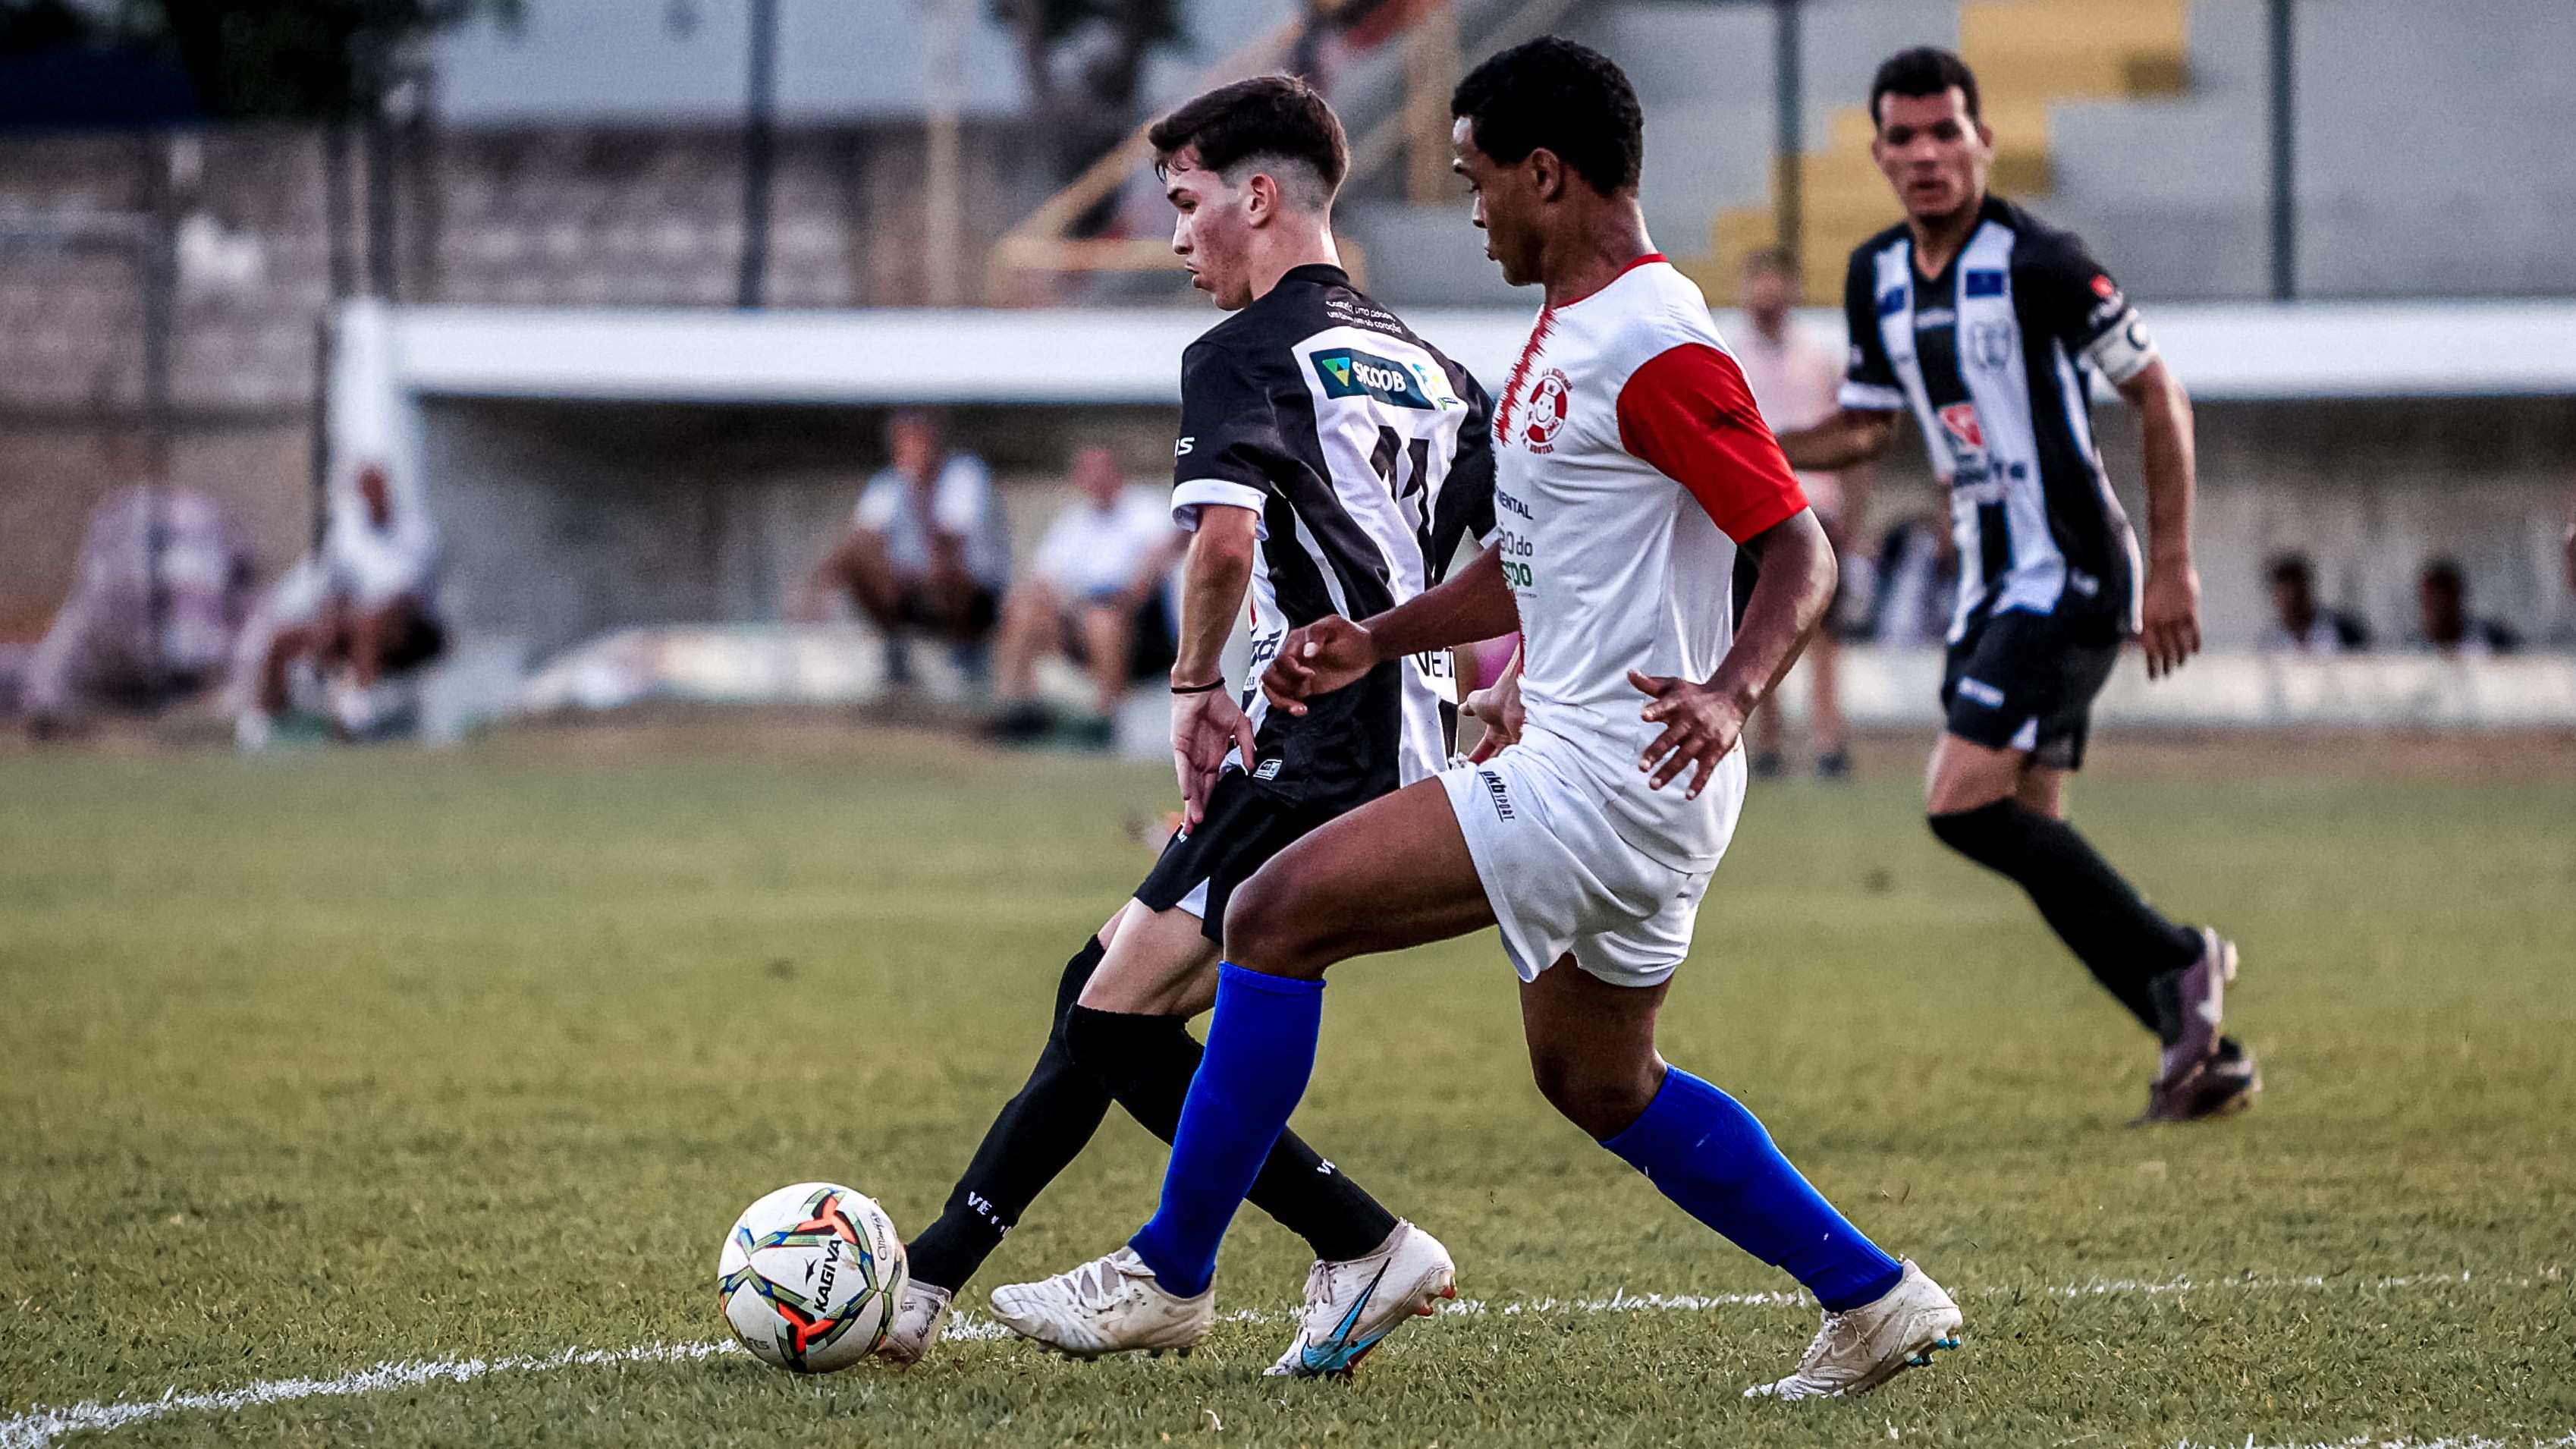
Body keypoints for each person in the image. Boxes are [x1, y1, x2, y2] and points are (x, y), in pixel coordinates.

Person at [991, 39, 1963, 1400]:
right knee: (1597, 1078)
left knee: (1272, 914)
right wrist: (1376, 640)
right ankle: (1872, 1296)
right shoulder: (1572, 334)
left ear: (1545, 173)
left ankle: (1170, 1269)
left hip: (1615, 769)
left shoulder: (1657, 340)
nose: (1468, 208)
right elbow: (1527, 566)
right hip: (1607, 761)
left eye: (1476, 178)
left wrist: (1733, 693)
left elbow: (1798, 550)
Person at [879, 75, 1498, 1376]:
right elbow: (1502, 566)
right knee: (1100, 993)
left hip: (1328, 745)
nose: (1173, 240)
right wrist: (1501, 693)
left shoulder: (1241, 352)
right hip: (1387, 738)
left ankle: (1055, 1279)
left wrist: (1190, 685)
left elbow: (1219, 541)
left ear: (1257, 197)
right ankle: (944, 1280)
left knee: (1112, 1013)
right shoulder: (1440, 370)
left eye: (1183, 202)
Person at [1772, 47, 2254, 1126]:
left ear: (1983, 140)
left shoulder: (2040, 258)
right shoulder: (1877, 275)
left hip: (2074, 571)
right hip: (1990, 586)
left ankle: (2182, 959)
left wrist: (2172, 565)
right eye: (1906, 136)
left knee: (1959, 802)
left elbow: (2158, 393)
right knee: (2034, 831)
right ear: (1880, 152)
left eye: (1949, 131)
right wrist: (1751, 441)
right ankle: (2192, 1041)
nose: (1929, 153)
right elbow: (1865, 425)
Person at [24, 435, 254, 738]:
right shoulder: (202, 510)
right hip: (188, 656)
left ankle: (49, 710)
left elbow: (90, 597)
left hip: (161, 657)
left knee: (68, 629)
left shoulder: (116, 514)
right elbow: (248, 584)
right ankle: (235, 718)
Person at [1733, 247, 1860, 778]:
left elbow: (1852, 435)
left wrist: (1855, 511)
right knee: (1754, 628)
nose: (1767, 295)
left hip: (1814, 508)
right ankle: (1769, 741)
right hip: (1749, 511)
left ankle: (1828, 737)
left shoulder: (1820, 357)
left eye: (1775, 282)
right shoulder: (1727, 356)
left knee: (1824, 633)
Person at [986, 445, 1183, 746]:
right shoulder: (1075, 522)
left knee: (1101, 620)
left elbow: (1147, 578)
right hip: (1078, 618)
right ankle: (1016, 710)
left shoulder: (1145, 509)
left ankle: (1108, 719)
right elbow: (1045, 579)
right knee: (1024, 609)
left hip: (1140, 628)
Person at [237, 462, 445, 746]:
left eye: (377, 488)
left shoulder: (416, 531)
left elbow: (413, 596)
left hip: (408, 630)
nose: (372, 495)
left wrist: (362, 614)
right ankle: (267, 722)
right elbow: (334, 587)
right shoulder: (348, 535)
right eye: (366, 489)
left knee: (369, 624)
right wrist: (329, 620)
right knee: (283, 639)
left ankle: (360, 712)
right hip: (353, 621)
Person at [800, 409, 1009, 684]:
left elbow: (948, 545)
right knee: (855, 555)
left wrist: (918, 490)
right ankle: (894, 645)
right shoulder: (888, 482)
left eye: (918, 438)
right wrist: (815, 590)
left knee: (947, 574)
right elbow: (862, 538)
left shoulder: (963, 473)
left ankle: (967, 648)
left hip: (971, 598)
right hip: (915, 591)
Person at [2260, 554, 2367, 654]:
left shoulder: (2342, 630)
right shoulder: (2273, 643)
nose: (2292, 600)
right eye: (2284, 595)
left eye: (2297, 593)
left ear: (2306, 590)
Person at [2415, 558, 2517, 655]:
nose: (2439, 608)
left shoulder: (2492, 637)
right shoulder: (2413, 651)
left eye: (2443, 599)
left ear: (2457, 598)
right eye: (2431, 601)